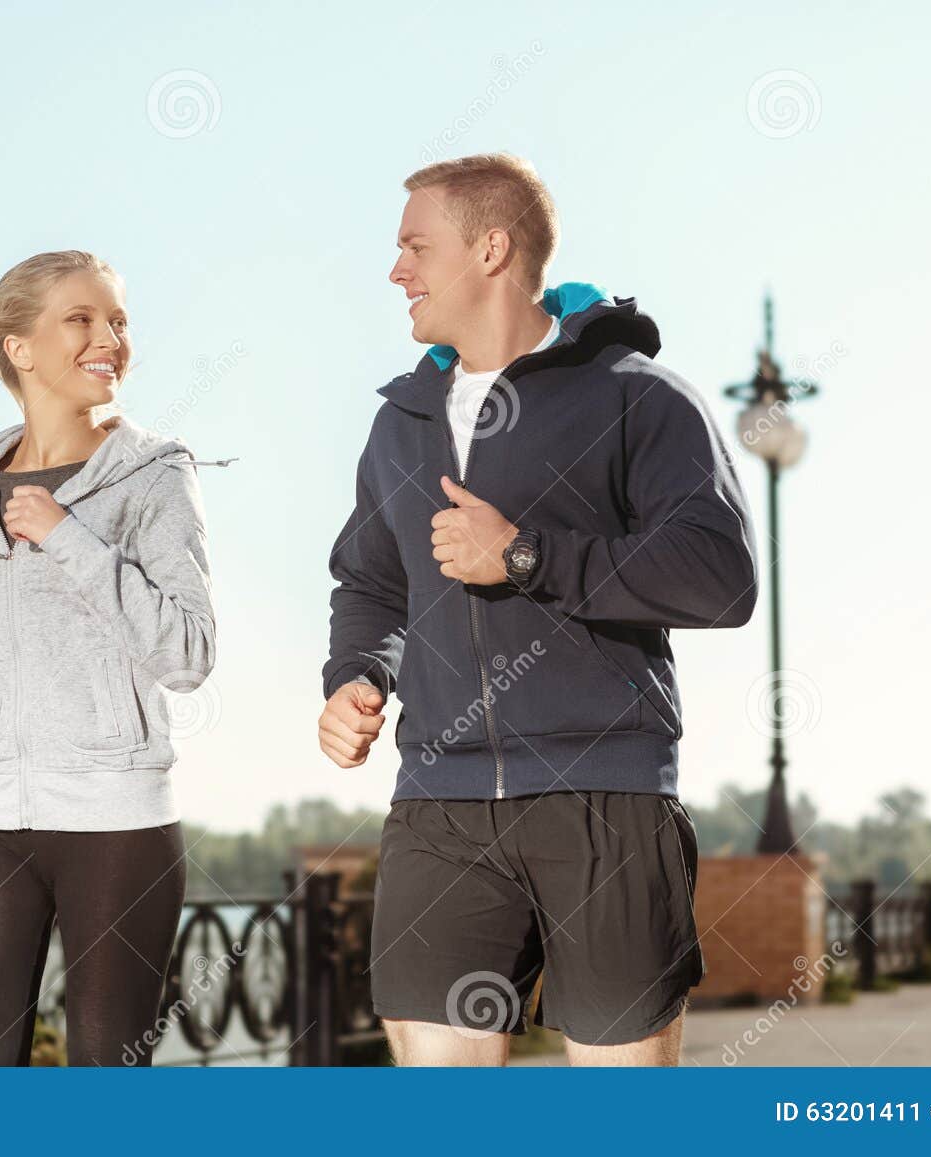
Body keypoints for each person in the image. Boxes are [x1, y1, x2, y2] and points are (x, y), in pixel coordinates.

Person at [318, 154, 758, 1066]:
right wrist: (357, 675)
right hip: (439, 802)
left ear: (490, 248)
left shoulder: (636, 394)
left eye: (414, 246)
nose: (396, 271)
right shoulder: (401, 420)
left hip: (605, 794)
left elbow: (721, 574)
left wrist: (524, 556)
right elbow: (371, 583)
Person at [0, 250, 217, 1066]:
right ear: (19, 347)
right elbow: (11, 628)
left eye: (117, 320)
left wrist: (68, 537)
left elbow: (188, 651)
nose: (110, 338)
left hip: (115, 818)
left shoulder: (154, 476)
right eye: (81, 319)